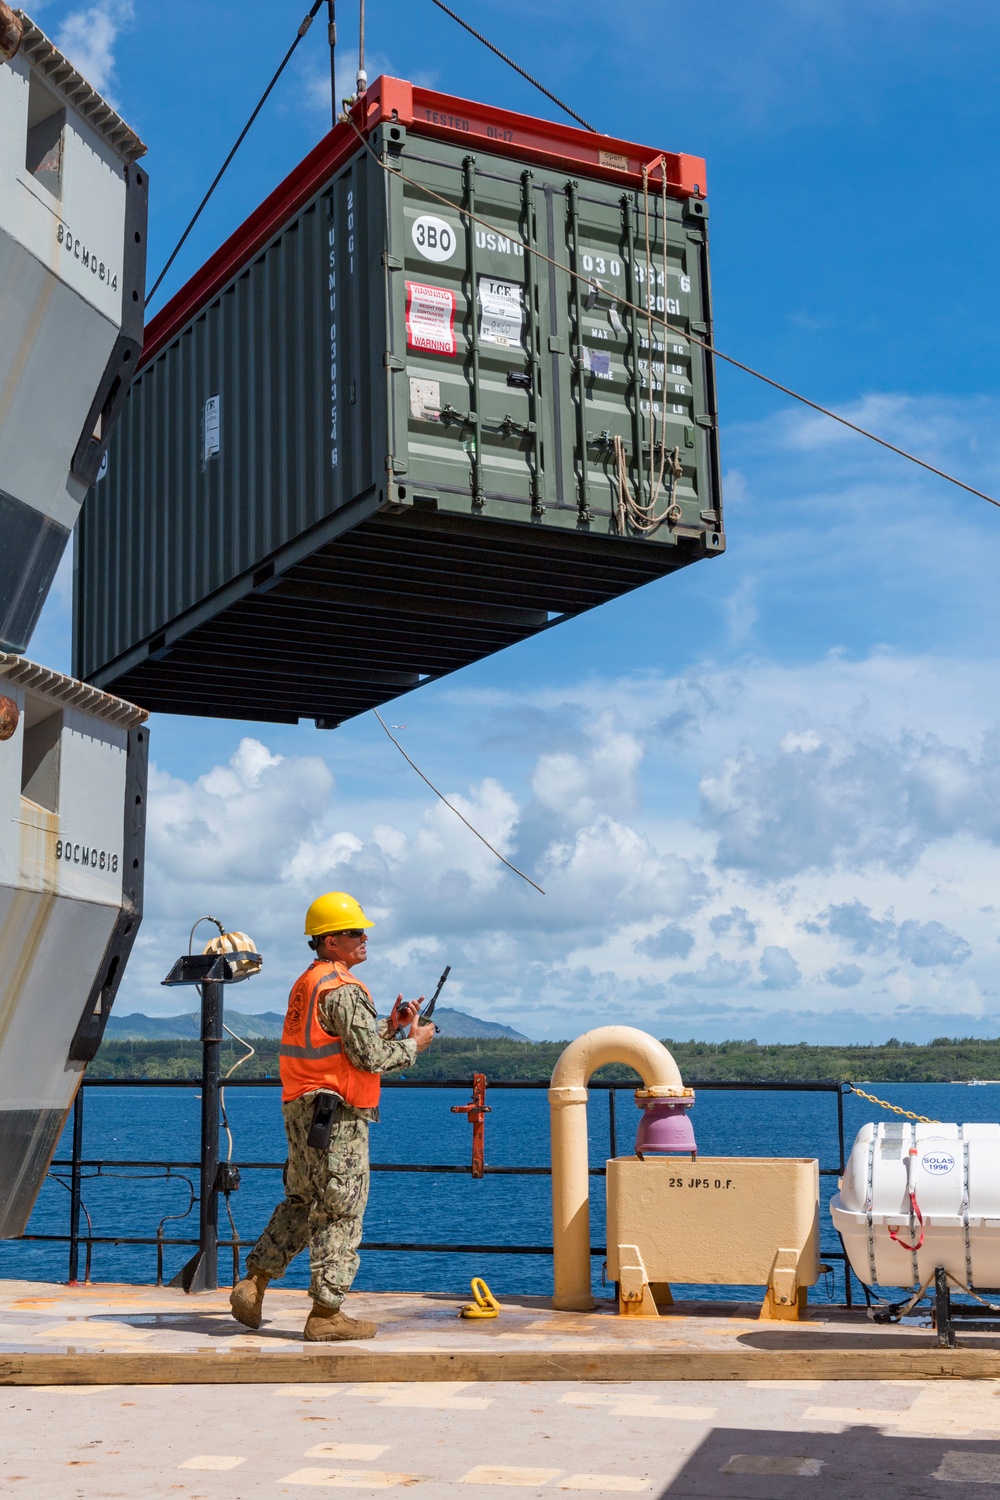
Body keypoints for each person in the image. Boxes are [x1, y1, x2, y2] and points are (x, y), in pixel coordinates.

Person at [230, 891, 435, 1341]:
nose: (363, 938)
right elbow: (369, 1058)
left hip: (302, 1110)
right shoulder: (344, 989)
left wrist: (391, 1024)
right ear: (329, 941)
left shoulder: (309, 984)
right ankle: (326, 1314)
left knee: (303, 1200)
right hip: (336, 1114)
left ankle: (254, 1281)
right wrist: (413, 1044)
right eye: (353, 932)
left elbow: (337, 1043)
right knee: (342, 1210)